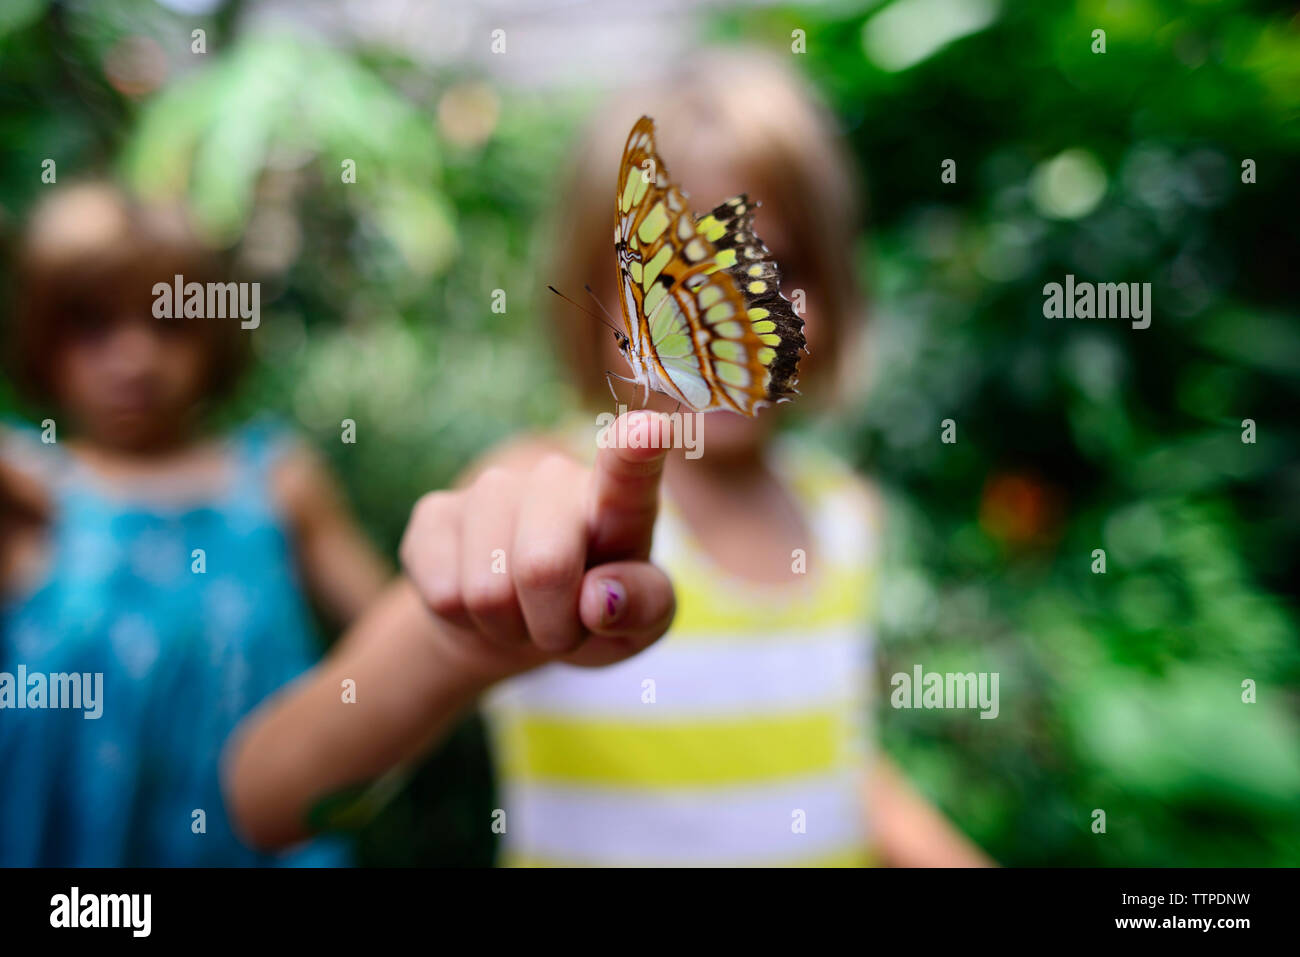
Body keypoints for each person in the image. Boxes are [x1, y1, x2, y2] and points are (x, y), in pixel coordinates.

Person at [226, 50, 991, 867]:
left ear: (834, 291)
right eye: (677, 275)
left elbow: (830, 754)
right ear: (595, 301)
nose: (727, 303)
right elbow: (267, 800)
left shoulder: (843, 514)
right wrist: (463, 639)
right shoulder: (549, 495)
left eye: (777, 263)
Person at [0, 182, 389, 865]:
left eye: (169, 323)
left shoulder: (276, 483)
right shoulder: (25, 492)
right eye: (92, 325)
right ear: (43, 336)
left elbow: (393, 634)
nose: (133, 358)